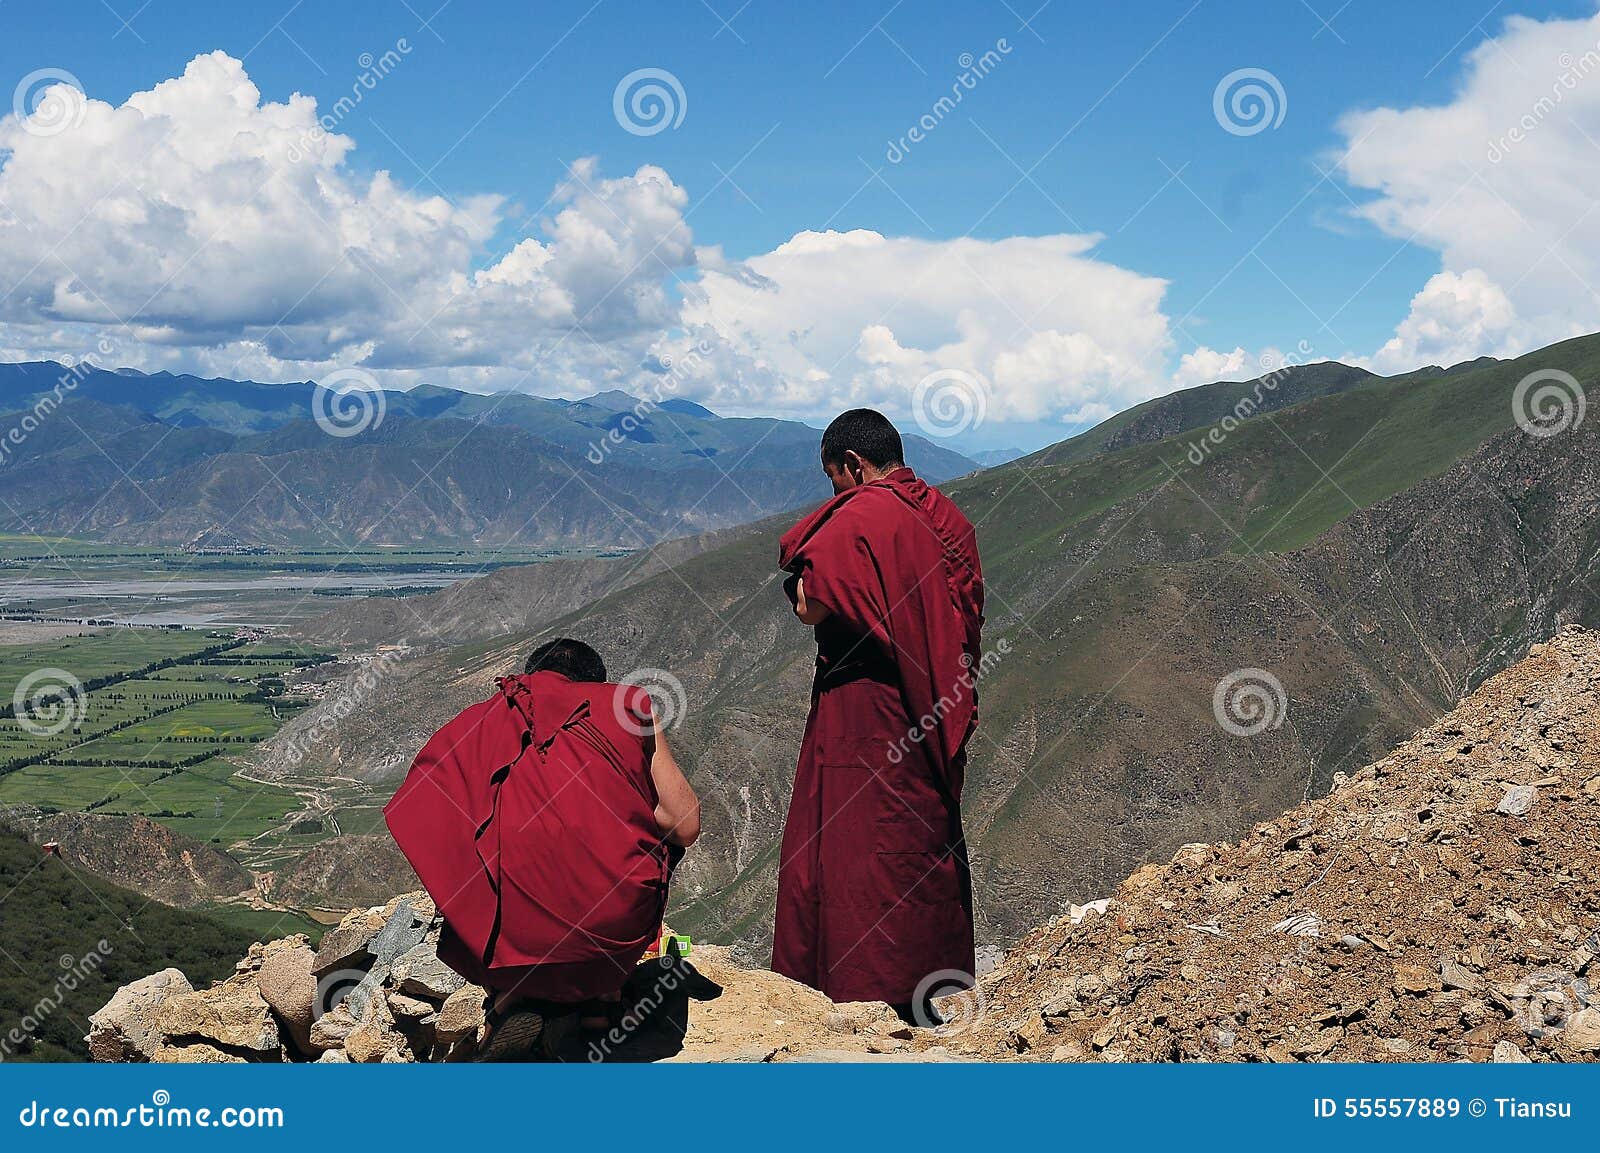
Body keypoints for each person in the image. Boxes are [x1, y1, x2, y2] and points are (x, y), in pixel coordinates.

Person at [384, 638, 699, 1058]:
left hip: (511, 941)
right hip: (610, 926)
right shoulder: (627, 705)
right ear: (595, 681)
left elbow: (422, 804)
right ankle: (601, 998)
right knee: (665, 845)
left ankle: (511, 999)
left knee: (475, 851)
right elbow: (684, 823)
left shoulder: (485, 718)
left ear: (530, 676)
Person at [772, 408, 985, 1023]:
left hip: (864, 710)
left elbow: (811, 603)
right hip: (929, 704)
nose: (835, 492)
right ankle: (928, 987)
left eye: (833, 479)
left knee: (854, 847)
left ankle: (856, 993)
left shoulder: (865, 514)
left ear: (853, 464)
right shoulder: (947, 517)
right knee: (918, 839)